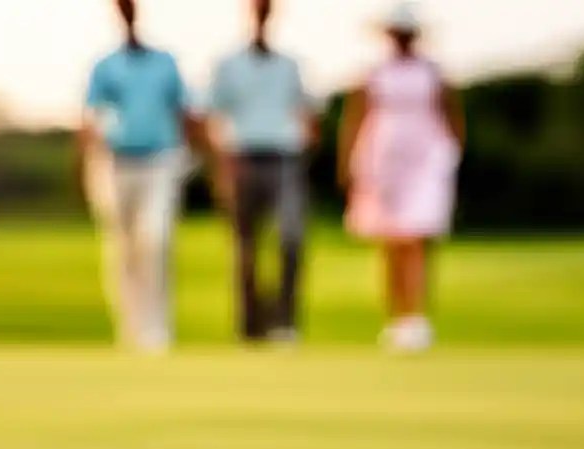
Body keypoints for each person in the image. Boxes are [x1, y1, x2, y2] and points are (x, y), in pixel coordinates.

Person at [338, 2, 465, 353]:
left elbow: (451, 116)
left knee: (416, 237)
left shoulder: (433, 73)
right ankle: (396, 318)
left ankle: (417, 318)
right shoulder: (373, 73)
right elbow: (356, 118)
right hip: (382, 162)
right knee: (391, 241)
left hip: (425, 159)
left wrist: (451, 156)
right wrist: (348, 163)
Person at [79, 0, 200, 353]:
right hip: (115, 163)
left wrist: (198, 155)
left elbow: (184, 111)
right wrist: (83, 164)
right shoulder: (105, 66)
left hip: (161, 161)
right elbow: (91, 118)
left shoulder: (165, 62)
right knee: (123, 247)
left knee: (155, 238)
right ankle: (129, 327)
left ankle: (156, 330)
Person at [207, 0, 317, 345]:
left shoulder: (290, 65)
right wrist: (222, 164)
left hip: (284, 158)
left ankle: (284, 321)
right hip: (242, 157)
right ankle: (251, 326)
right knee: (245, 248)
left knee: (290, 238)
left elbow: (306, 112)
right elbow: (214, 116)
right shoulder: (228, 64)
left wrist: (307, 147)